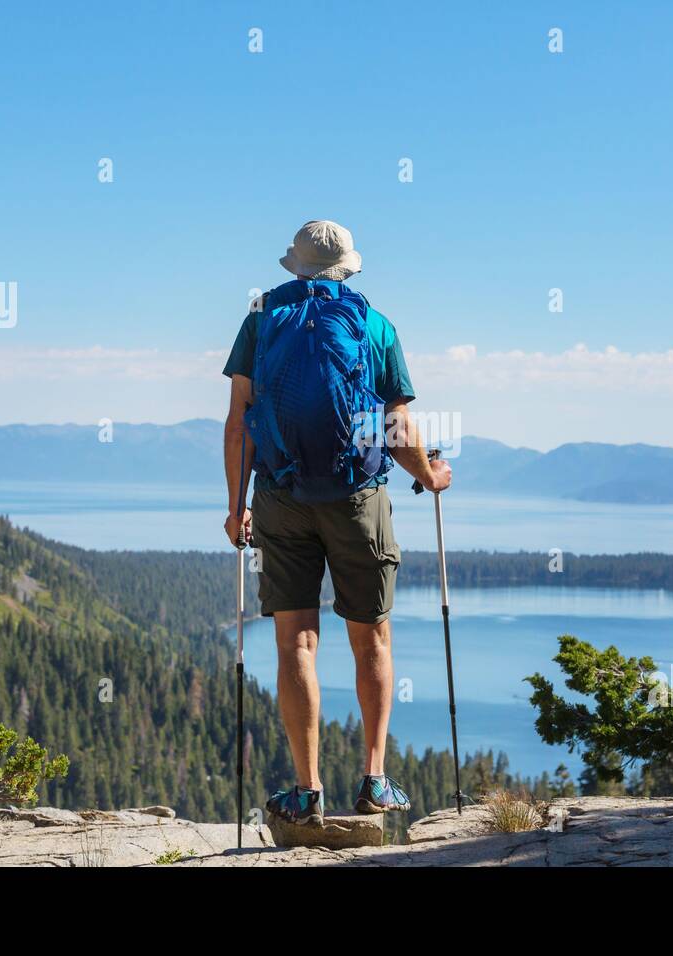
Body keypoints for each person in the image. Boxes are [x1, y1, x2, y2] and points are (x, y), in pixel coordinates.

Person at [221, 219, 451, 826]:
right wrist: (429, 476)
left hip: (279, 495)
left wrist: (235, 504)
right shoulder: (375, 326)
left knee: (296, 640)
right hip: (358, 498)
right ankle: (374, 780)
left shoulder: (261, 320)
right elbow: (396, 427)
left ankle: (306, 790)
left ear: (294, 267)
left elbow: (239, 419)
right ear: (348, 268)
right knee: (370, 637)